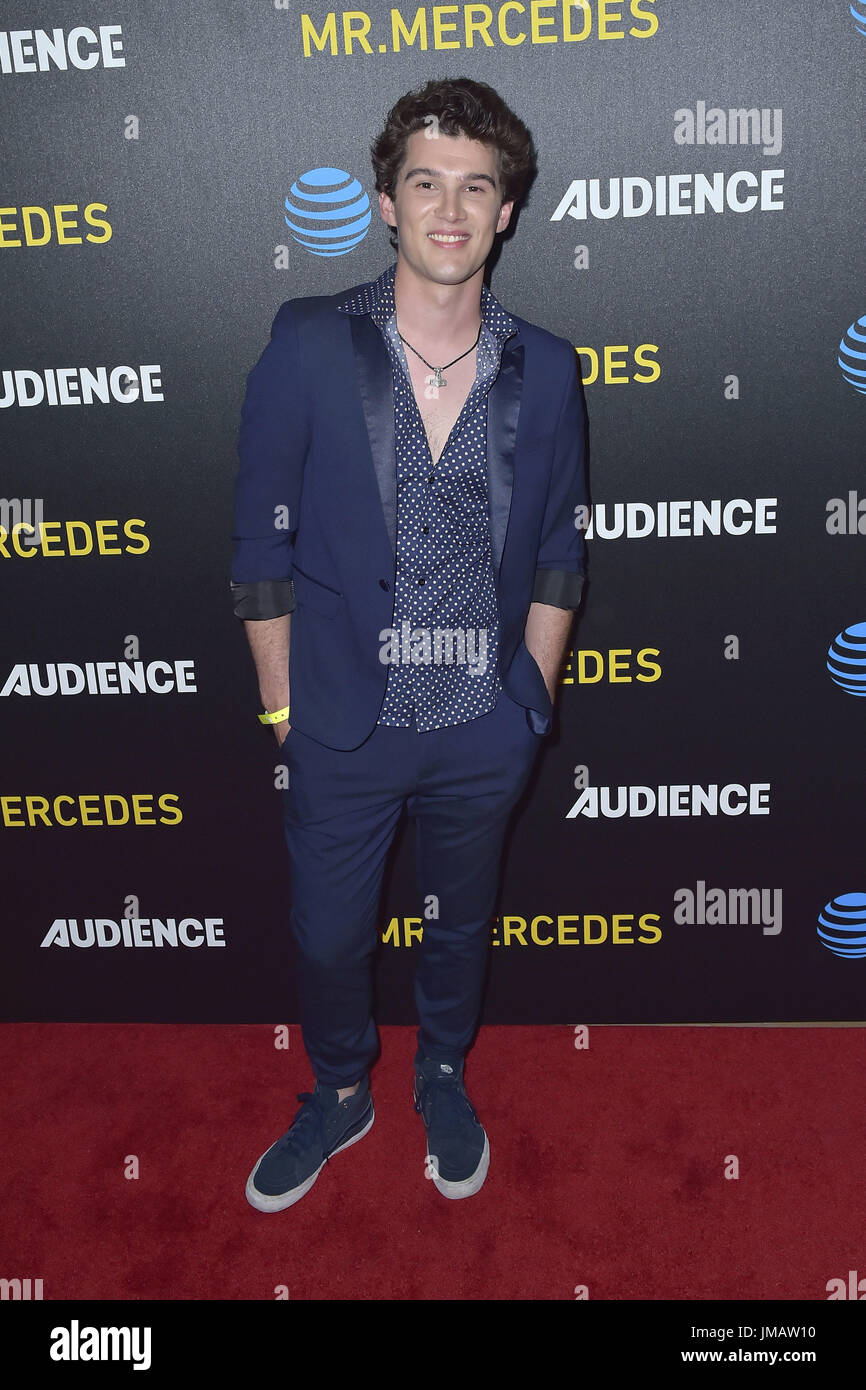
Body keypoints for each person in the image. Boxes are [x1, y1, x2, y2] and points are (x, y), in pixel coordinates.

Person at [230, 76, 588, 1211]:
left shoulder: (550, 367)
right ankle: (340, 1090)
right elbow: (257, 548)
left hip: (483, 727)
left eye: (474, 188)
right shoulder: (306, 345)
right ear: (385, 202)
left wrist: (531, 695)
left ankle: (441, 1069)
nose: (449, 210)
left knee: (459, 928)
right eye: (424, 183)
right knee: (330, 938)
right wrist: (286, 713)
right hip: (342, 723)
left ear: (506, 212)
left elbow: (559, 554)